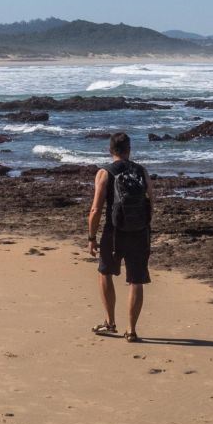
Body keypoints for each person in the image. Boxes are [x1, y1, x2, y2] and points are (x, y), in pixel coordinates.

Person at [87, 131, 153, 341]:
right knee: (136, 280)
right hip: (140, 231)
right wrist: (145, 226)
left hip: (114, 232)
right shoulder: (142, 171)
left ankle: (110, 322)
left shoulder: (104, 172)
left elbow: (96, 209)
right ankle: (131, 330)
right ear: (129, 150)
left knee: (104, 273)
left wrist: (91, 237)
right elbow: (152, 201)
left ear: (110, 150)